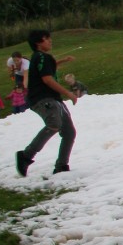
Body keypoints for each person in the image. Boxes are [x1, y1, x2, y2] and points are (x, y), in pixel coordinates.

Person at [15, 30, 78, 177]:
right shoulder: (41, 56)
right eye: (46, 39)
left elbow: (50, 67)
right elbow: (47, 79)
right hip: (43, 99)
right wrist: (68, 93)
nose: (50, 41)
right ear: (38, 42)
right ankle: (26, 156)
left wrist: (63, 60)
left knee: (69, 132)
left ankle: (61, 165)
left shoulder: (42, 58)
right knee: (54, 124)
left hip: (54, 99)